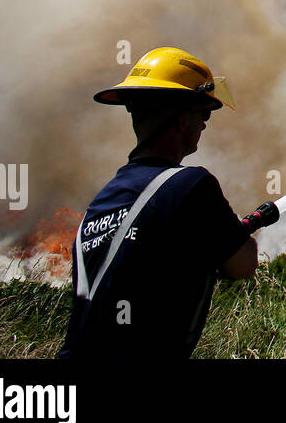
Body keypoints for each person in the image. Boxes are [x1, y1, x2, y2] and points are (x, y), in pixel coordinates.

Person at [58, 47, 257, 359]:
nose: (205, 124)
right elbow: (244, 264)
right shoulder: (191, 185)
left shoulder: (100, 204)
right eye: (202, 114)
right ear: (180, 119)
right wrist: (231, 236)